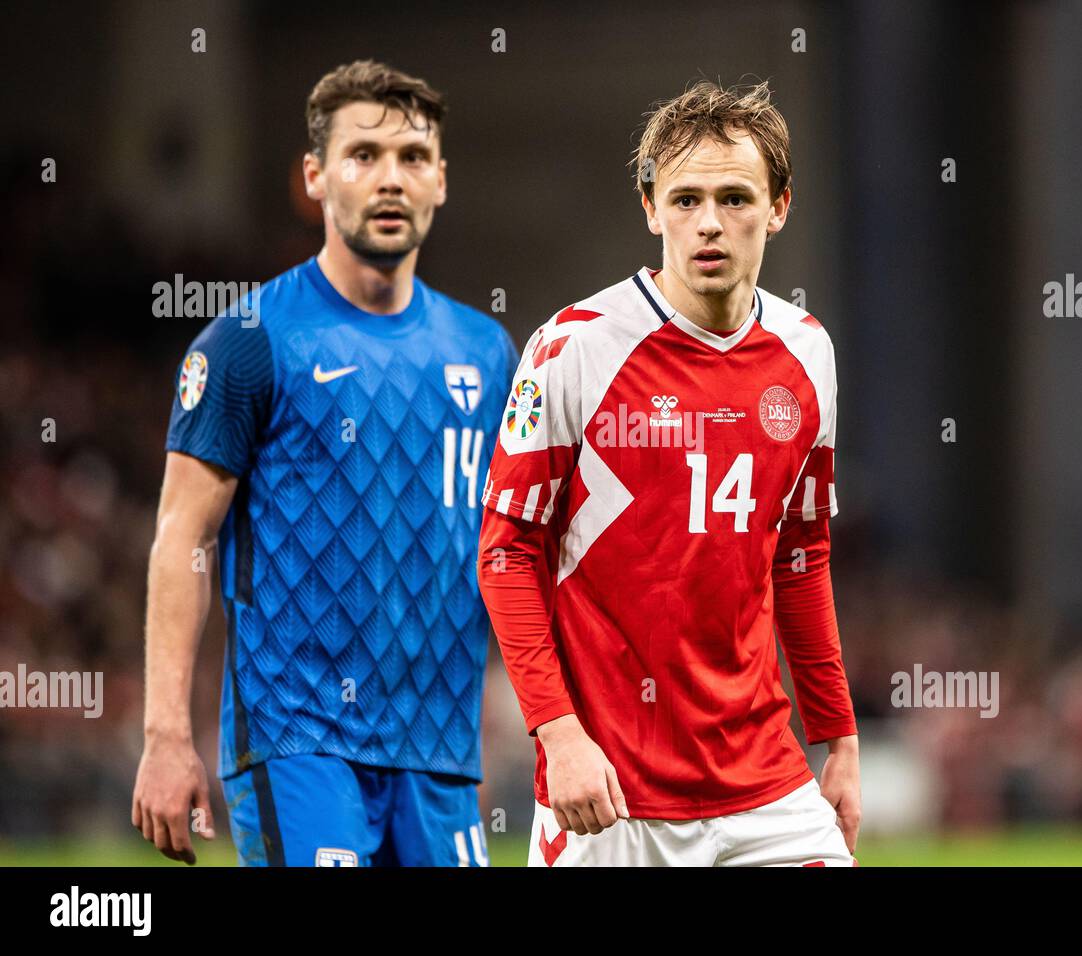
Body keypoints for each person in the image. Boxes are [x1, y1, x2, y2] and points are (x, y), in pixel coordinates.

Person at [131, 60, 515, 866]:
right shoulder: (248, 341)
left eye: (413, 157)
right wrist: (167, 734)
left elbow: (508, 548)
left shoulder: (488, 353)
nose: (389, 179)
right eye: (362, 154)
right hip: (298, 743)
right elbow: (181, 537)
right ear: (315, 176)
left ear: (441, 180)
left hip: (439, 753)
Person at [478, 80, 860, 866]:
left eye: (734, 197)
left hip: (767, 788)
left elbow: (801, 553)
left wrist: (838, 735)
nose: (709, 222)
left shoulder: (807, 353)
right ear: (649, 208)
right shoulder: (573, 347)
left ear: (780, 206)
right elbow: (507, 551)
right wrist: (558, 733)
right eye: (685, 199)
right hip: (612, 794)